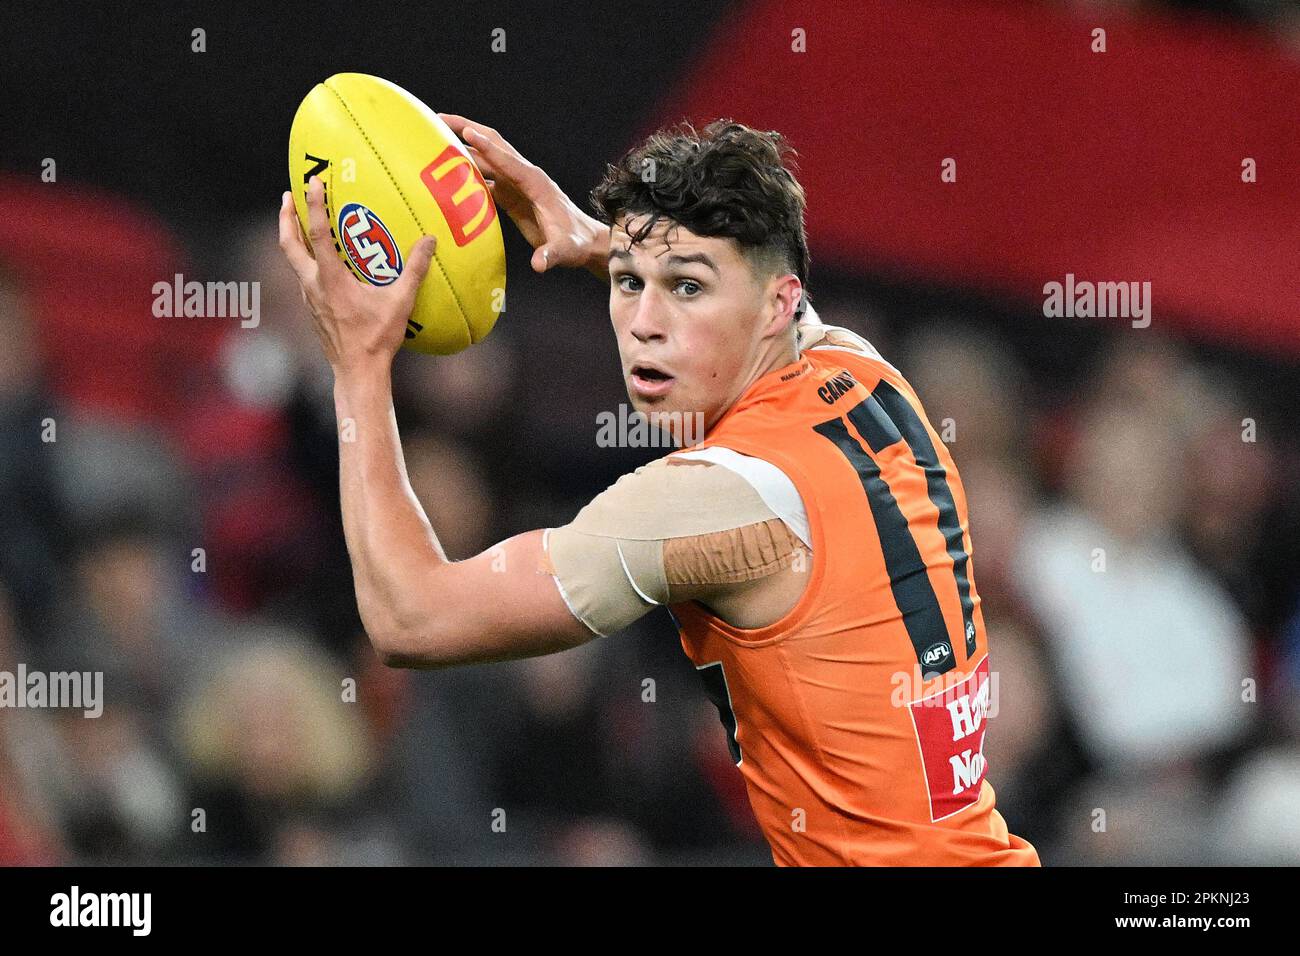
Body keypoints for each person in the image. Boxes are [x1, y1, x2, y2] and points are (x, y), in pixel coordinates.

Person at [276, 117, 1039, 867]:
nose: (643, 324)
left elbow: (412, 618)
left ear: (776, 304)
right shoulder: (871, 375)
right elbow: (758, 289)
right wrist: (599, 240)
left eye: (684, 289)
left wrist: (359, 365)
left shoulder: (713, 502)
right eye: (627, 286)